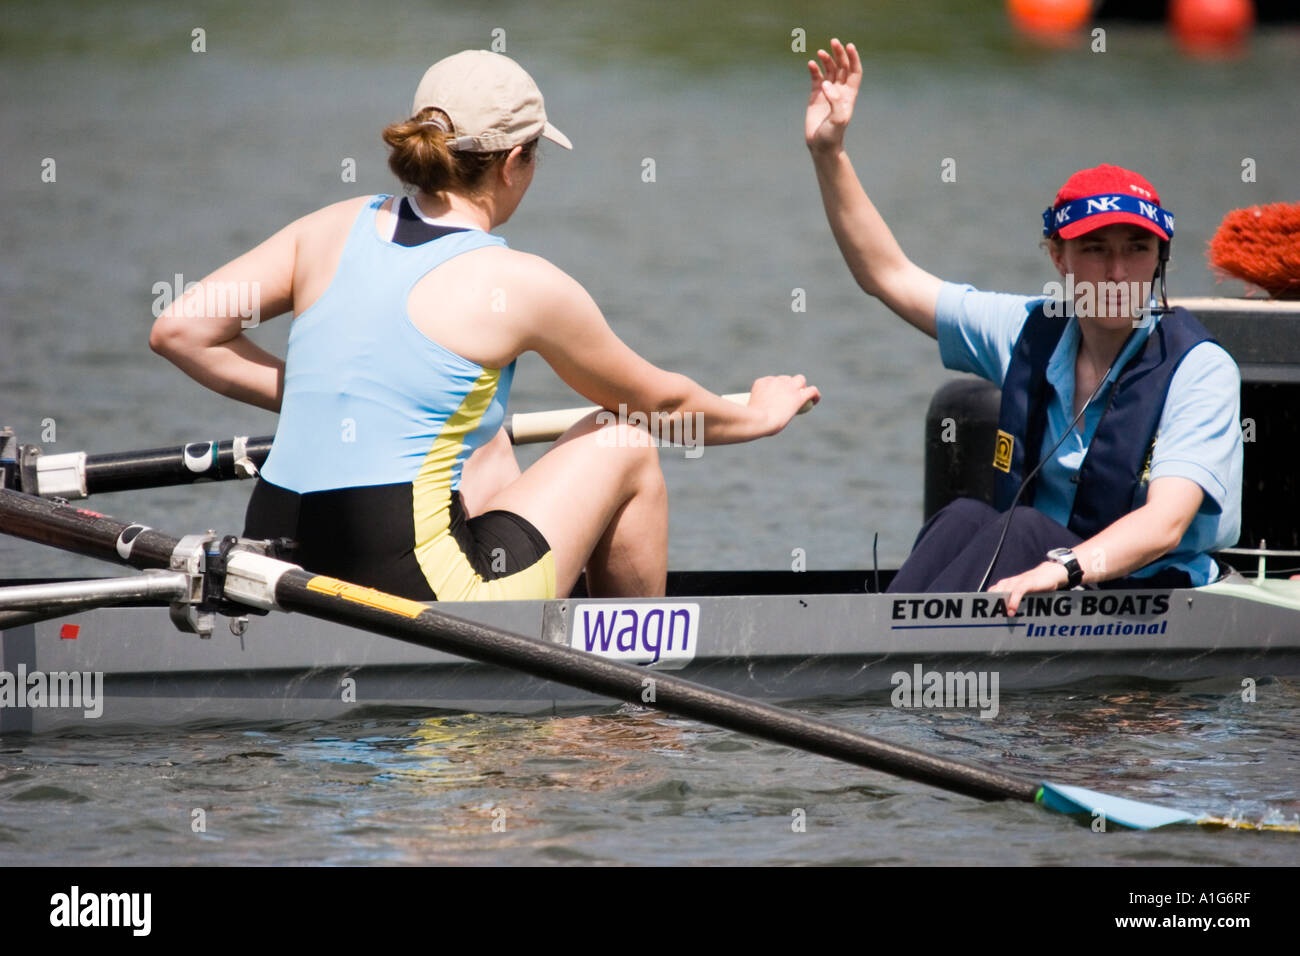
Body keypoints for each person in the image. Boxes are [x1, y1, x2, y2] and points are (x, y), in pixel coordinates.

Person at [151, 49, 819, 602]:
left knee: (484, 436)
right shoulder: (521, 284)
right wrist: (761, 416)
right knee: (624, 439)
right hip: (411, 588)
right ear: (511, 163)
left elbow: (180, 330)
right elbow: (662, 404)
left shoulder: (328, 228)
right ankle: (630, 684)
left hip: (279, 556)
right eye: (536, 158)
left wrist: (336, 397)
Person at [805, 39, 1241, 612]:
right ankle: (866, 645)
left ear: (1158, 261)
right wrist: (829, 152)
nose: (1116, 272)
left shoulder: (1199, 370)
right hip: (1046, 583)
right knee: (964, 515)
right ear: (1059, 259)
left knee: (1027, 530)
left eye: (1136, 250)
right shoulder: (1028, 331)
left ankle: (872, 661)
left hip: (1153, 592)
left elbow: (1165, 523)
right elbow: (887, 276)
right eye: (1094, 250)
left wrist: (1060, 569)